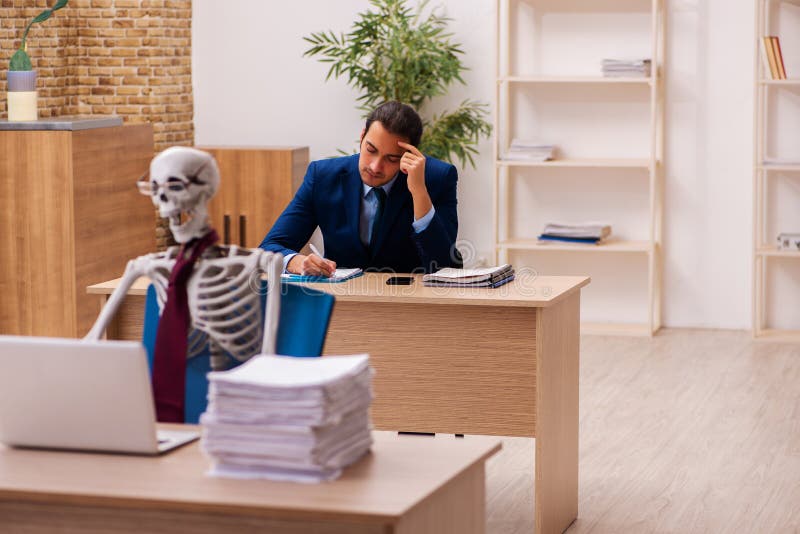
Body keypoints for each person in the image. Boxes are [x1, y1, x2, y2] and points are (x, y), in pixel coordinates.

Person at [259, 101, 461, 275]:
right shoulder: (323, 176)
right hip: (343, 303)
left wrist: (419, 192)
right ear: (362, 136)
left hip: (413, 306)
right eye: (371, 150)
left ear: (410, 155)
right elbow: (268, 249)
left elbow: (446, 267)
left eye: (392, 159)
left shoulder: (437, 178)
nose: (375, 166)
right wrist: (297, 262)